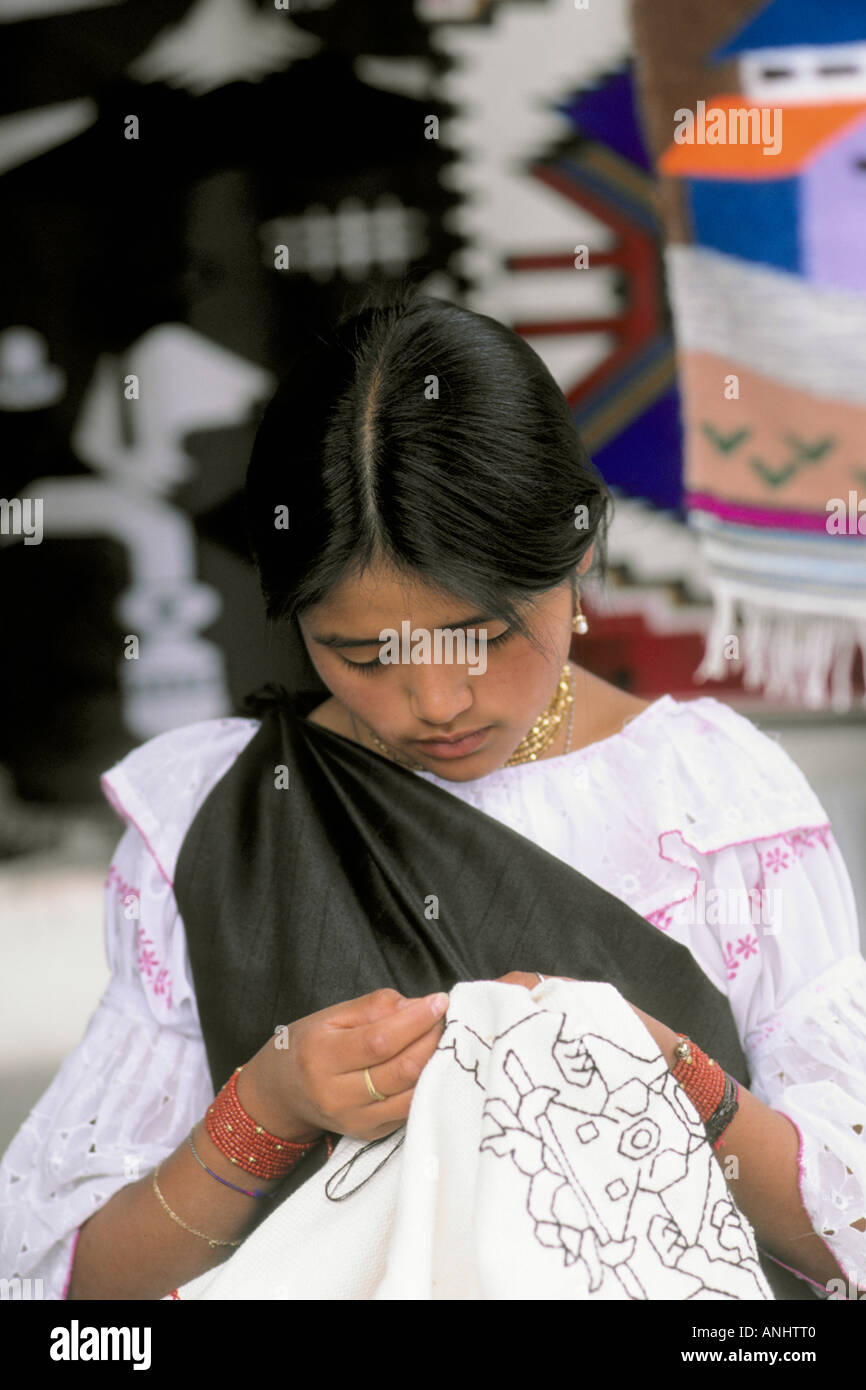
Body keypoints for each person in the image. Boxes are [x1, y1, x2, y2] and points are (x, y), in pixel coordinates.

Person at [2, 288, 865, 1301]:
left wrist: (663, 1074)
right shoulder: (218, 822)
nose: (435, 699)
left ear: (580, 548)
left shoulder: (709, 802)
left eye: (486, 637)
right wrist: (267, 1108)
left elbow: (841, 1241)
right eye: (362, 652)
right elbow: (62, 1296)